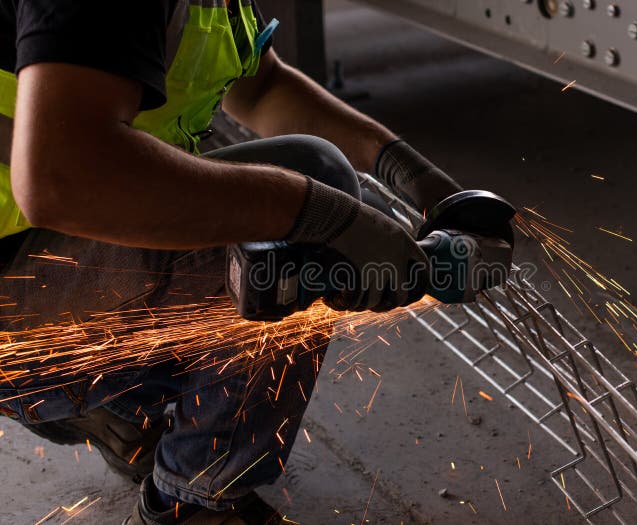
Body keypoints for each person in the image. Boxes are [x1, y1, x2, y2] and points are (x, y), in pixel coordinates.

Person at [0, 1, 506, 523]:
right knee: (287, 250)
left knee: (315, 186)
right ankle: (194, 501)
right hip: (15, 310)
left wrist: (416, 177)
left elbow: (262, 89)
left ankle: (119, 405)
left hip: (46, 255)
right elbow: (59, 180)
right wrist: (323, 218)